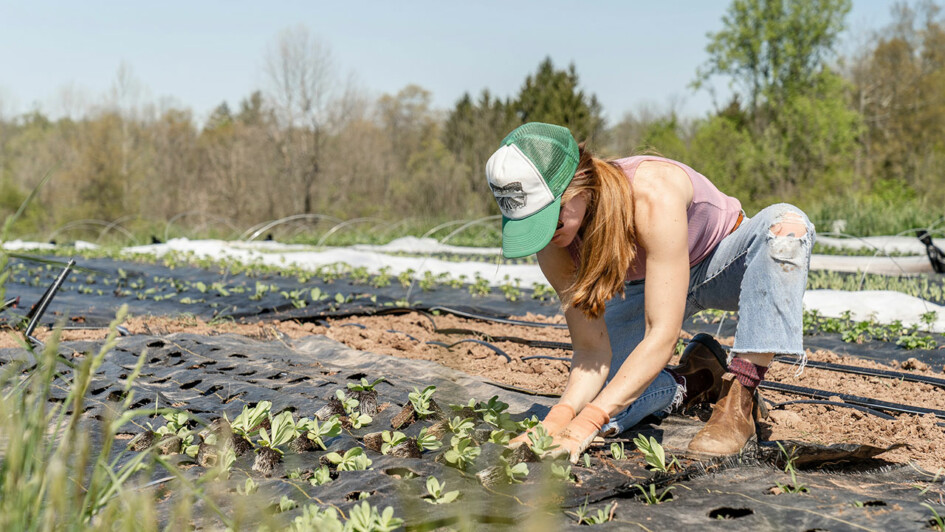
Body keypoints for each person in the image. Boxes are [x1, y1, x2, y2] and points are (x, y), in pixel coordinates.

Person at [486, 122, 814, 462]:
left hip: (722, 263)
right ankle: (695, 378)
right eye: (531, 225)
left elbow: (662, 335)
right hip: (650, 285)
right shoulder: (553, 244)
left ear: (579, 183)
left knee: (787, 228)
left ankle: (739, 398)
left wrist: (588, 422)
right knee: (607, 396)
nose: (547, 235)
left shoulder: (651, 193)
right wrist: (560, 418)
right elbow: (591, 351)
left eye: (550, 219)